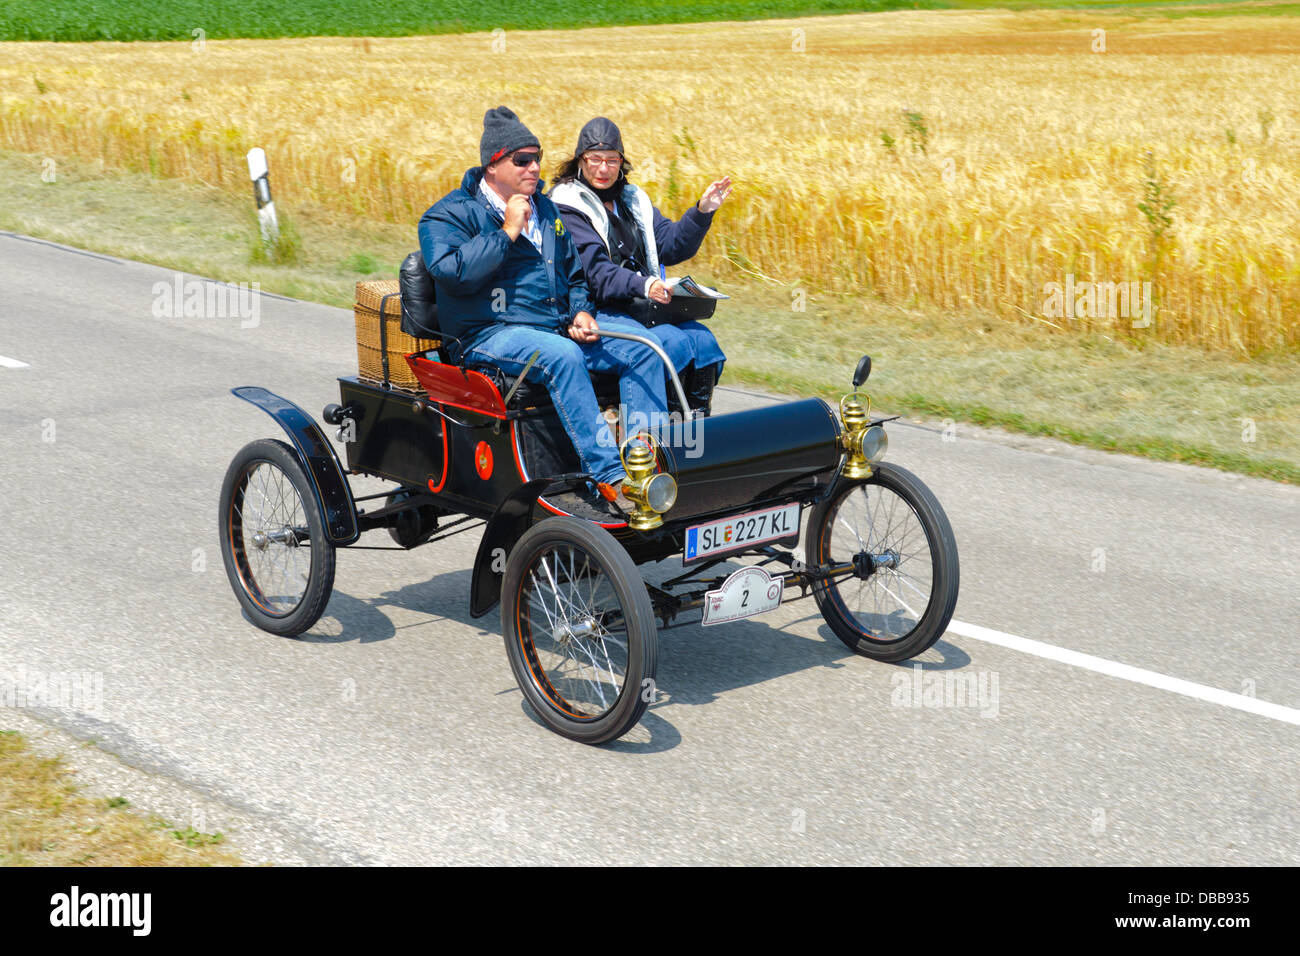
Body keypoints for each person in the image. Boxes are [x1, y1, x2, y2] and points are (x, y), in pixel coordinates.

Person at [417, 106, 668, 499]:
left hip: (551, 329)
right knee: (562, 356)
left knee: (644, 351)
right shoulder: (448, 215)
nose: (534, 168)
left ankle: (645, 468)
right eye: (523, 160)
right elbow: (452, 273)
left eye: (537, 159)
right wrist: (507, 232)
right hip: (485, 334)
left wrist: (580, 311)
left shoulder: (546, 209)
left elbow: (574, 275)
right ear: (492, 164)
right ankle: (612, 478)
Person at [550, 117, 732, 417]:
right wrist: (645, 285)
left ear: (622, 162)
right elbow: (596, 273)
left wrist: (702, 211)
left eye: (612, 160)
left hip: (640, 306)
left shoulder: (632, 200)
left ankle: (697, 435)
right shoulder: (568, 204)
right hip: (596, 307)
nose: (604, 168)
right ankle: (654, 446)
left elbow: (670, 245)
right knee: (670, 343)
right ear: (580, 160)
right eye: (595, 159)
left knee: (703, 342)